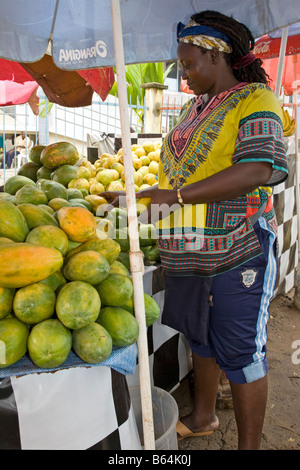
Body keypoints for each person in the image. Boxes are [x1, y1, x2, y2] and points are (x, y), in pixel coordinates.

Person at [101, 10, 287, 450]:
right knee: (199, 336)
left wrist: (175, 198)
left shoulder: (255, 99)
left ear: (216, 54)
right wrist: (141, 200)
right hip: (188, 248)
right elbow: (179, 178)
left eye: (188, 64)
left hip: (239, 249)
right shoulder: (192, 107)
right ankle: (203, 417)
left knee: (241, 352)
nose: (183, 74)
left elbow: (260, 168)